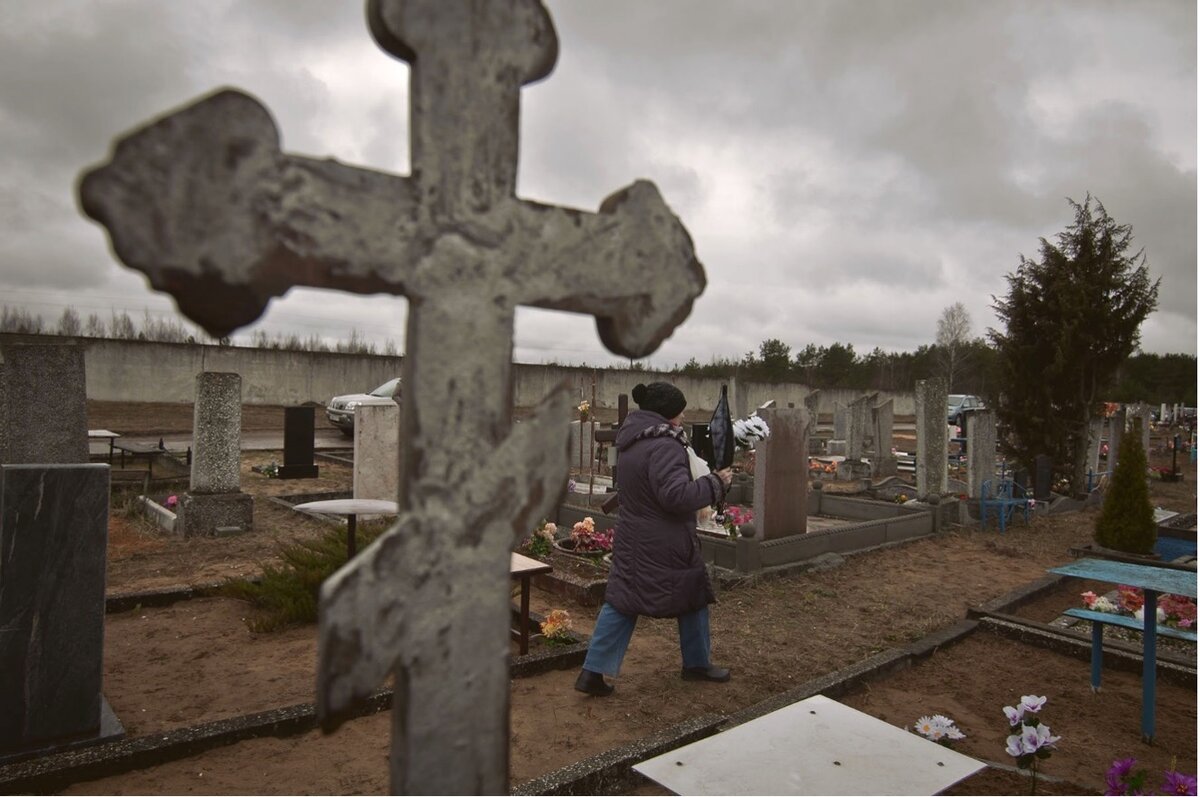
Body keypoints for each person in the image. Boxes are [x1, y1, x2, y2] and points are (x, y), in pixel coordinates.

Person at [574, 382, 734, 697]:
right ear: (666, 414)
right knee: (693, 594)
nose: (684, 415)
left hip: (633, 537)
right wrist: (716, 483)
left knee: (622, 602)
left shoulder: (633, 441)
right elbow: (675, 496)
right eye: (680, 410)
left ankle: (592, 672)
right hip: (665, 541)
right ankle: (697, 665)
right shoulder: (665, 445)